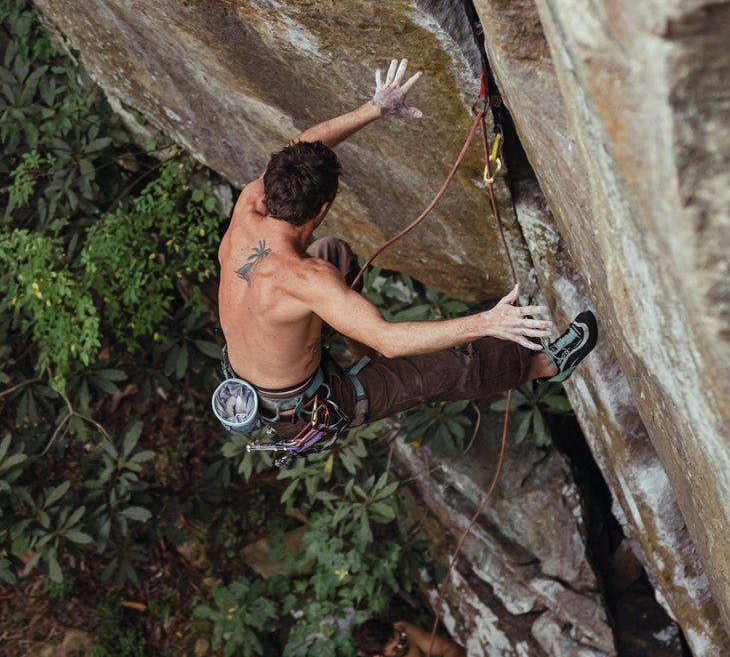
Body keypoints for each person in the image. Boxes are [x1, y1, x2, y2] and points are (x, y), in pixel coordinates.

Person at [216, 57, 597, 449]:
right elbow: (391, 341)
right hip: (304, 410)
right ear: (323, 209)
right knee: (440, 370)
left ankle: (359, 350)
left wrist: (374, 108)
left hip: (255, 372)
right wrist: (488, 322)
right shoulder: (306, 280)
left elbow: (297, 151)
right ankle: (543, 366)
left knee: (333, 253)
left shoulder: (251, 204)